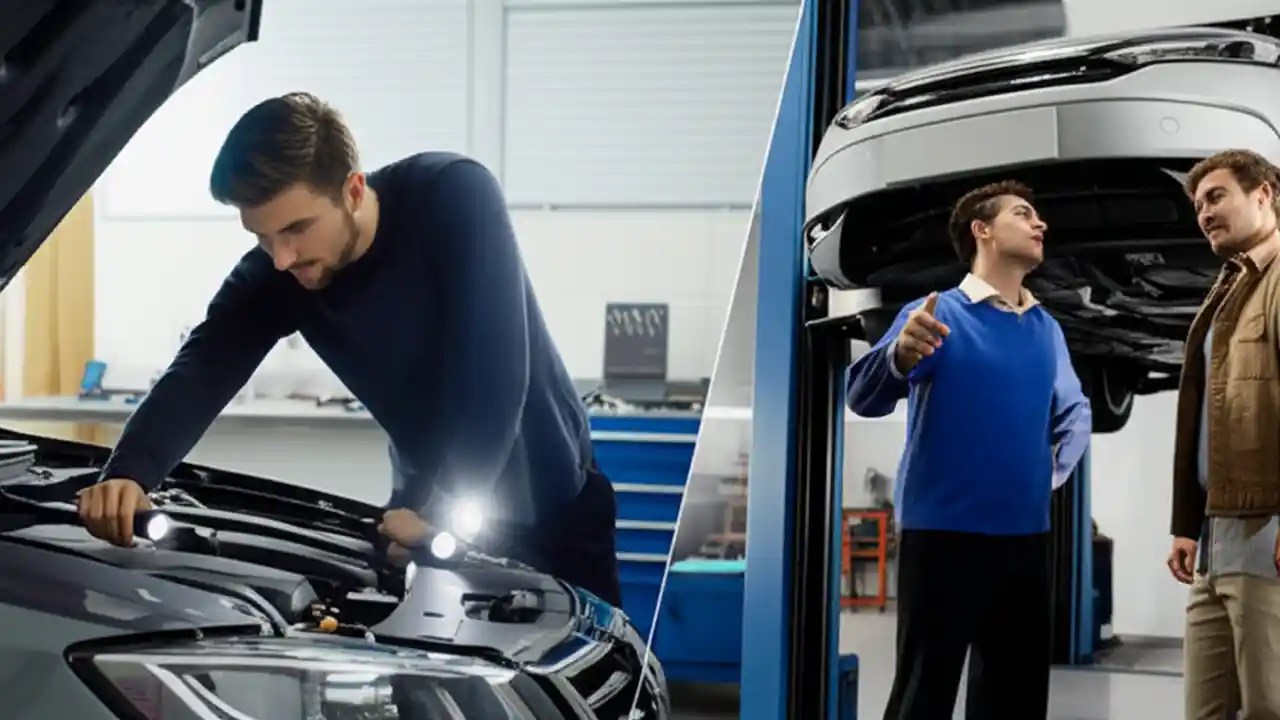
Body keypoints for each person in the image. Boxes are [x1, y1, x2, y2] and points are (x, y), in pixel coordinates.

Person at [74, 92, 622, 606]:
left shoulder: (451, 193)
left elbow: (496, 373)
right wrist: (129, 472)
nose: (282, 257)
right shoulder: (276, 274)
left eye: (296, 228)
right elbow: (204, 366)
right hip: (422, 514)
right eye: (262, 238)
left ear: (353, 191)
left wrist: (449, 509)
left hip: (549, 505)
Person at [846, 180, 1092, 719]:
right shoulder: (936, 314)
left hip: (1025, 539)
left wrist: (1039, 478)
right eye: (1023, 214)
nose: (1040, 223)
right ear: (982, 230)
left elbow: (1075, 414)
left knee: (1016, 697)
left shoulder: (1047, 328)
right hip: (942, 537)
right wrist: (898, 358)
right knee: (923, 694)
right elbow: (861, 396)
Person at [1167, 148, 1280, 719]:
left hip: (1269, 537)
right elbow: (1206, 415)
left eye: (1216, 197)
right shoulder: (1228, 289)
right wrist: (1187, 525)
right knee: (1205, 711)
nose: (1204, 213)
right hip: (1215, 542)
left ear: (1264, 193)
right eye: (1197, 205)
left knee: (1269, 706)